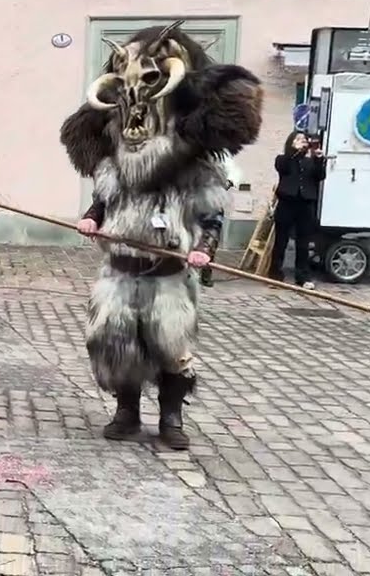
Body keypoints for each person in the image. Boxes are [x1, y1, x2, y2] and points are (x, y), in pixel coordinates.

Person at [63, 22, 262, 450]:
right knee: (116, 345)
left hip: (169, 273)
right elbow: (103, 200)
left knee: (173, 348)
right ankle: (126, 412)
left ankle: (171, 419)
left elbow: (210, 216)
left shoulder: (192, 164)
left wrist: (205, 251)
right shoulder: (114, 163)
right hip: (118, 273)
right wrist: (92, 218)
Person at [268, 130, 326, 290]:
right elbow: (283, 168)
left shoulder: (310, 161)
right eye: (298, 139)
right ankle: (275, 275)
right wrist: (295, 151)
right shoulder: (283, 159)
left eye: (304, 139)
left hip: (306, 204)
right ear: (291, 142)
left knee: (303, 243)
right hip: (287, 203)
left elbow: (320, 176)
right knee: (281, 241)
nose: (302, 141)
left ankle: (302, 277)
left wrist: (319, 159)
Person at [199, 153, 242, 288]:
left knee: (211, 241)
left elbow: (235, 172)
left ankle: (206, 272)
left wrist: (227, 183)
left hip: (214, 204)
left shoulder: (222, 154)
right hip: (192, 203)